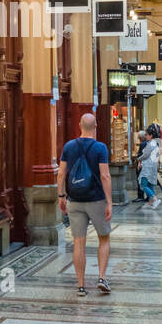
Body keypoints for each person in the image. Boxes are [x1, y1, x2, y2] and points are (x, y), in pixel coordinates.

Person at [58, 112, 113, 296]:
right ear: (95, 127)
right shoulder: (100, 148)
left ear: (79, 126)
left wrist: (61, 196)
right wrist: (110, 201)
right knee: (103, 238)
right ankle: (101, 277)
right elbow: (105, 175)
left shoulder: (69, 146)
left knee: (78, 242)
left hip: (74, 201)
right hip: (96, 200)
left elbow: (61, 173)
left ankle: (81, 286)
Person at [138, 124, 161, 208]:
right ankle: (152, 202)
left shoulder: (151, 144)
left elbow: (145, 155)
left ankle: (154, 199)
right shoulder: (155, 143)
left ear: (151, 135)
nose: (145, 136)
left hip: (148, 167)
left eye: (147, 134)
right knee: (150, 184)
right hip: (153, 167)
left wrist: (138, 159)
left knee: (143, 184)